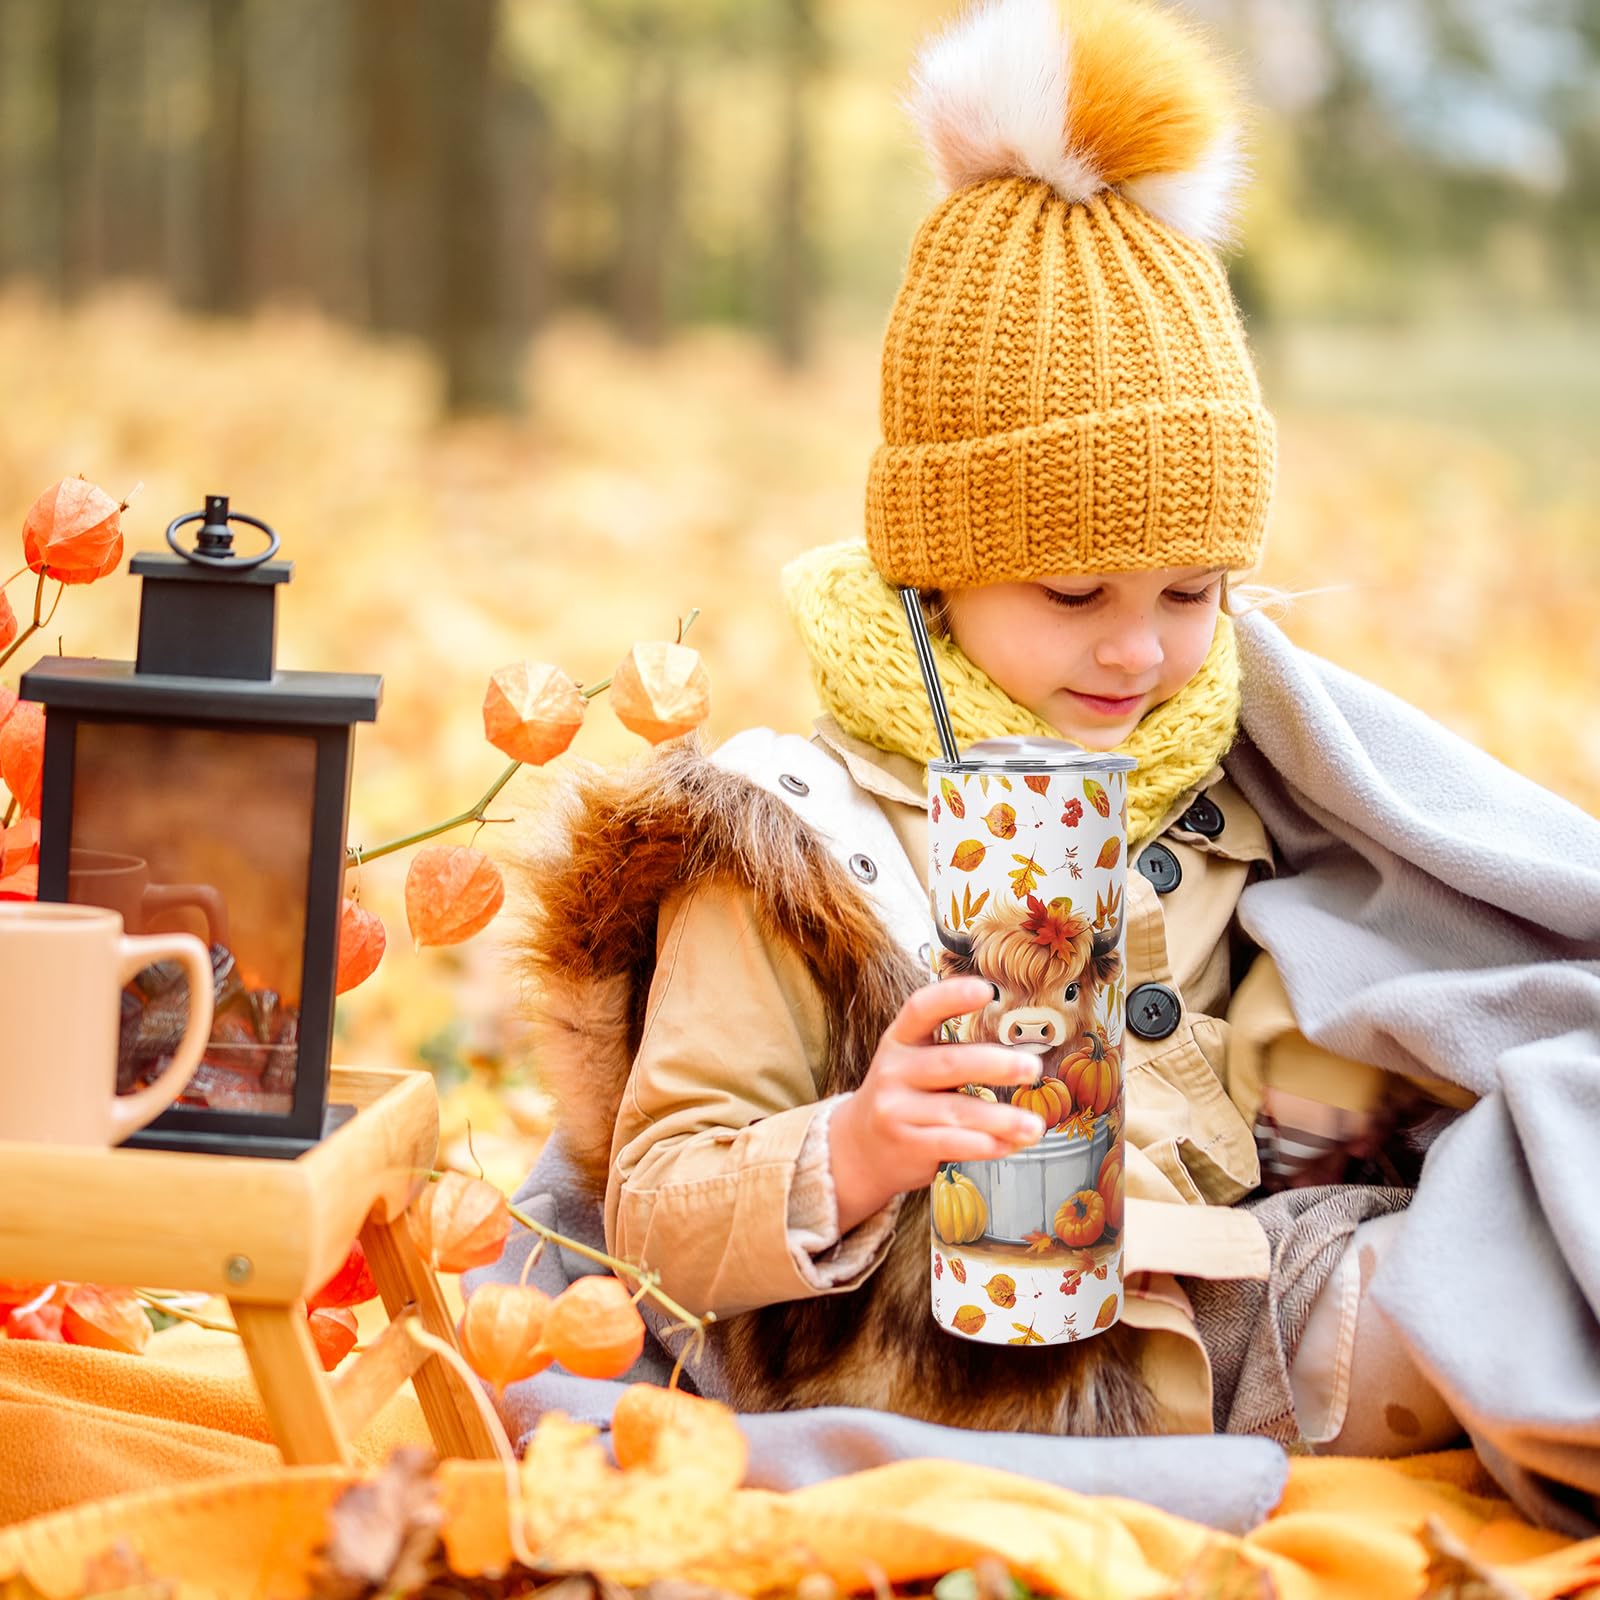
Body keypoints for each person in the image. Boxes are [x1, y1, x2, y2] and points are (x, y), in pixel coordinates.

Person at [498, 0, 1600, 1520]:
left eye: (1192, 596)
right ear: (941, 568)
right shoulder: (792, 842)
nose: (1139, 656)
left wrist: (1340, 1094)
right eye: (1076, 595)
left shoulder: (1224, 781)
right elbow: (657, 1210)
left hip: (1227, 1326)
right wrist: (860, 1142)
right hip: (928, 1348)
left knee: (1521, 1267)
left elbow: (1384, 981)